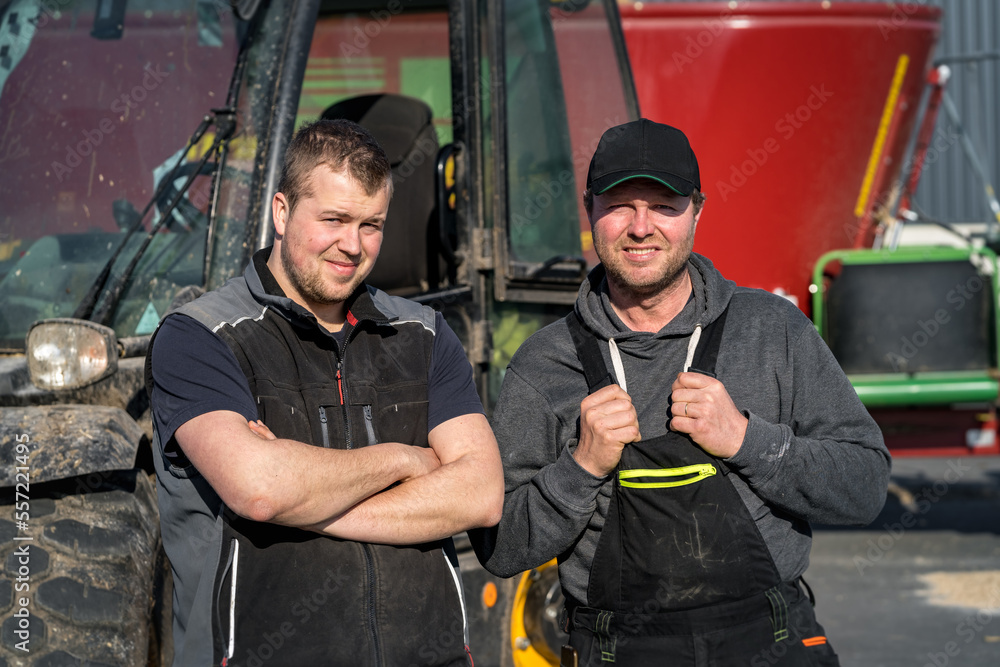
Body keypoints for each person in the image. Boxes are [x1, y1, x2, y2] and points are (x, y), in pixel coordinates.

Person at [480, 119, 890, 665]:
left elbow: (865, 485)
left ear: (698, 211)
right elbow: (501, 547)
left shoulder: (773, 330)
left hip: (768, 641)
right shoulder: (545, 363)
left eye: (665, 206)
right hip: (617, 649)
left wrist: (748, 440)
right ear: (590, 212)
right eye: (620, 204)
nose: (641, 227)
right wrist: (580, 467)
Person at [146, 119, 503, 666]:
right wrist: (403, 459)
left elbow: (479, 494)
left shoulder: (424, 334)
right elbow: (260, 489)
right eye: (334, 219)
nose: (352, 246)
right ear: (282, 211)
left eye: (371, 224)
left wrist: (305, 499)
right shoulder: (199, 337)